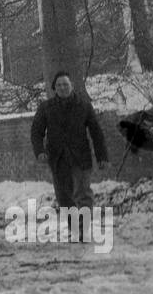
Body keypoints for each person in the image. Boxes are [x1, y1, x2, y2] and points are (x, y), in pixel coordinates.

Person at [30, 70, 108, 240]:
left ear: (72, 86)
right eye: (59, 85)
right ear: (54, 88)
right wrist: (40, 152)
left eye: (66, 84)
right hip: (58, 159)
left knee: (83, 193)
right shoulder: (46, 108)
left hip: (80, 157)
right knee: (64, 196)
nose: (62, 88)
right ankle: (75, 230)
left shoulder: (84, 106)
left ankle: (84, 230)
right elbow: (36, 131)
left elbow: (96, 132)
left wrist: (102, 156)